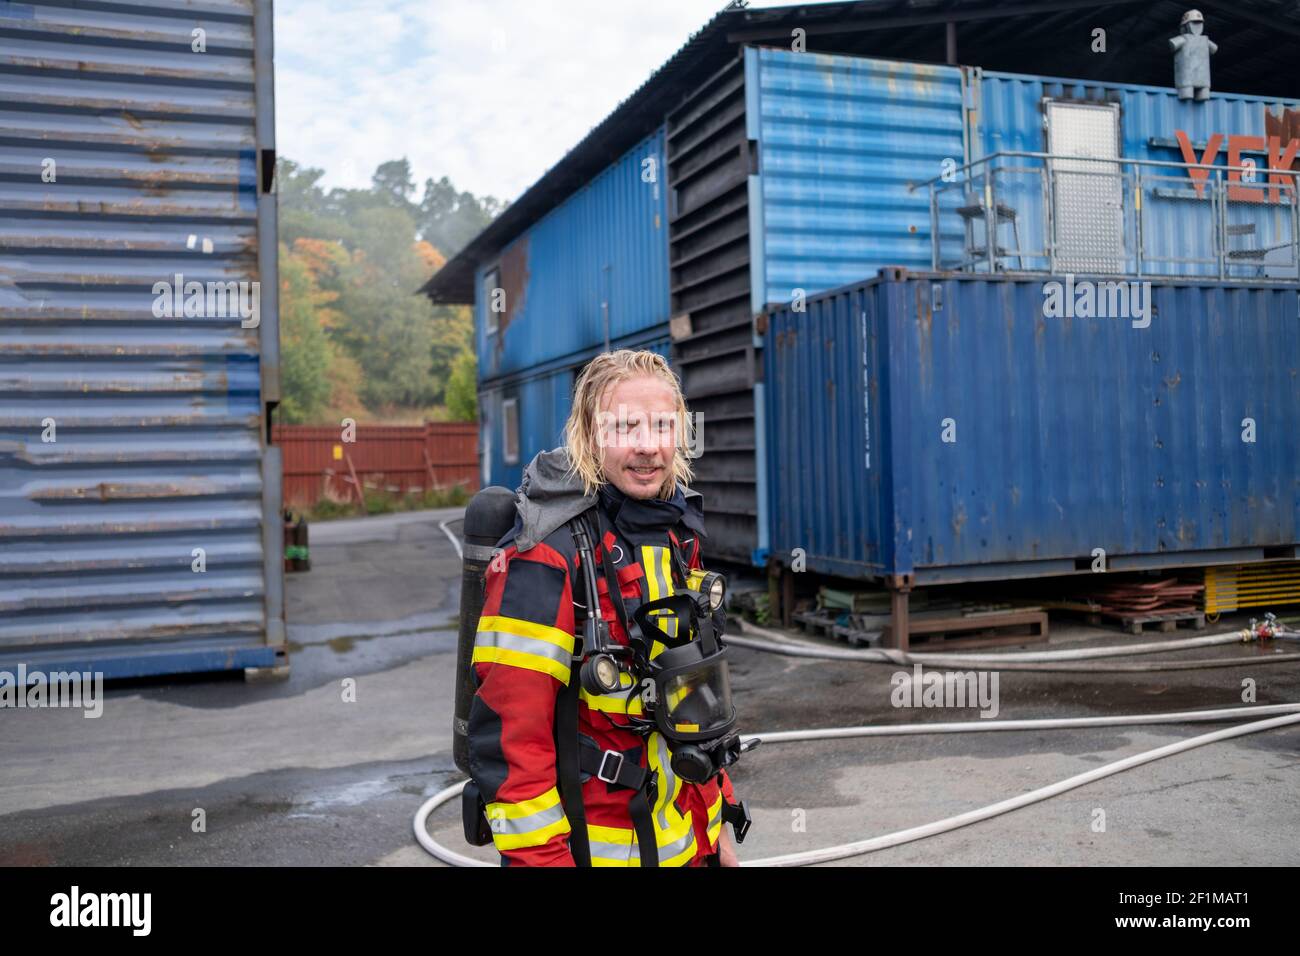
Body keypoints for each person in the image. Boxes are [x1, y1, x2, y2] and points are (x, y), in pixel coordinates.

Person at [465, 349, 743, 866]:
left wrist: (718, 822)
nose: (647, 447)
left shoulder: (676, 535)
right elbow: (511, 741)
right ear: (591, 435)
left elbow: (694, 705)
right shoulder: (546, 556)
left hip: (684, 848)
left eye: (662, 426)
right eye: (626, 426)